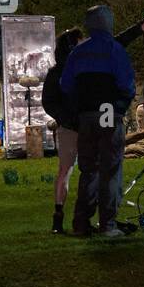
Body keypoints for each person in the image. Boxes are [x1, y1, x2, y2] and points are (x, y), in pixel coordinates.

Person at [60, 5, 135, 239]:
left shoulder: (78, 53)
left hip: (86, 116)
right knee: (110, 169)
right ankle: (108, 224)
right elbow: (127, 83)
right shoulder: (114, 49)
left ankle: (81, 223)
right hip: (108, 112)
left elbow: (66, 85)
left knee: (88, 169)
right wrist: (119, 107)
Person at [42, 28, 84, 234]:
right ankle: (79, 216)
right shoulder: (80, 70)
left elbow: (48, 102)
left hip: (70, 127)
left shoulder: (56, 72)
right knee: (77, 171)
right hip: (76, 126)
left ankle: (60, 216)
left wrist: (63, 117)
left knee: (65, 172)